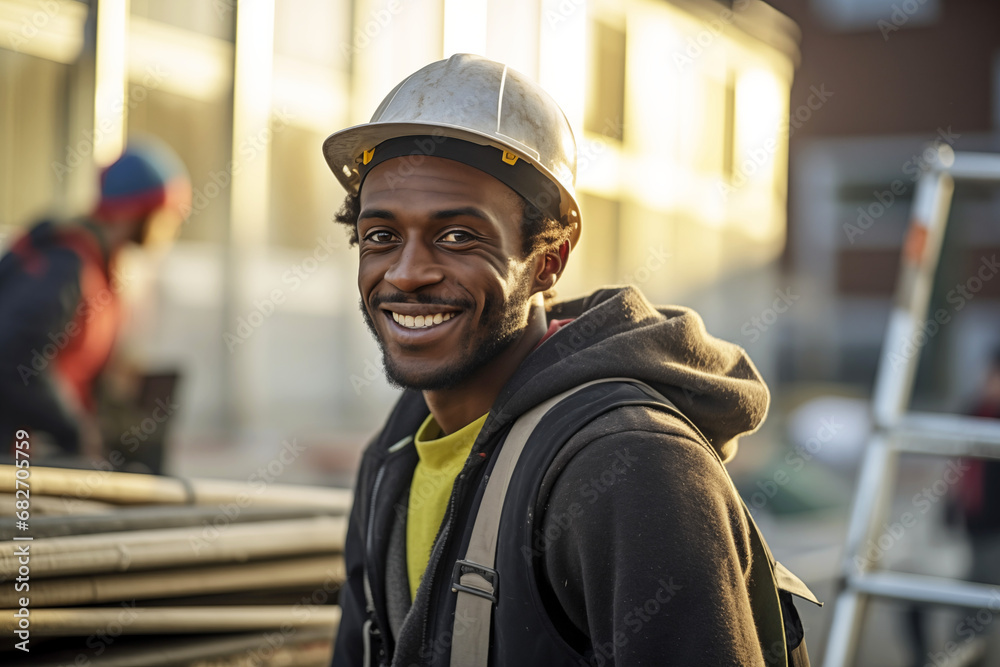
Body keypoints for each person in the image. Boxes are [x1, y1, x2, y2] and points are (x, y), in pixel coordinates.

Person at [325, 54, 814, 666]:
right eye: (381, 237)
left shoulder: (634, 464)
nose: (407, 273)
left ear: (549, 259)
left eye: (457, 237)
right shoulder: (392, 456)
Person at [0, 138, 191, 457]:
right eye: (168, 214)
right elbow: (13, 359)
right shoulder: (67, 266)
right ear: (134, 211)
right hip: (18, 456)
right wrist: (73, 428)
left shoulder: (101, 266)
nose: (173, 227)